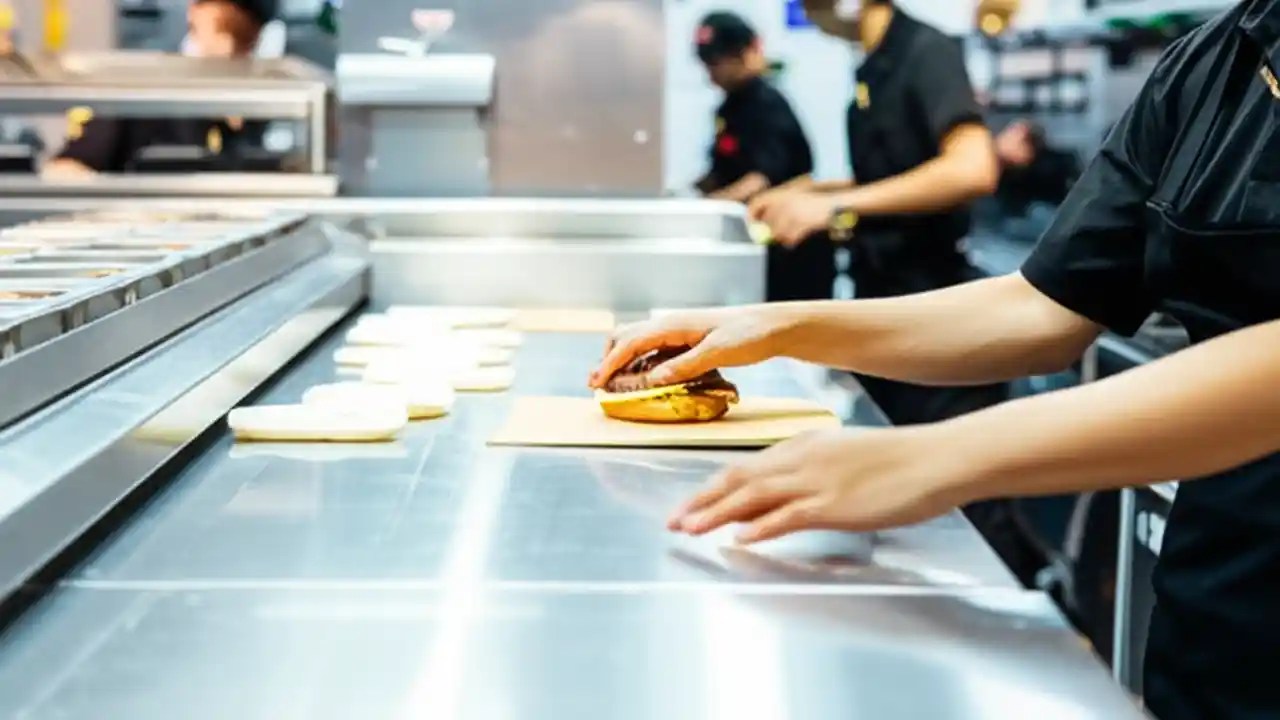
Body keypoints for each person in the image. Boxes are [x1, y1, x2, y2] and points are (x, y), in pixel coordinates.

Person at [591, 1, 1280, 717]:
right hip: (1214, 616)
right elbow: (1043, 305)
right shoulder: (1216, 60)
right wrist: (771, 325)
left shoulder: (925, 54)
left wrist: (935, 458)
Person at [41, 0, 276, 178]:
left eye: (239, 38)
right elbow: (65, 169)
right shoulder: (143, 89)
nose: (224, 49)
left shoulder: (252, 110)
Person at [690, 12, 825, 302]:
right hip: (757, 246)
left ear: (747, 52)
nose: (711, 72)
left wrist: (708, 209)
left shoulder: (765, 104)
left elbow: (761, 180)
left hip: (789, 249)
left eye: (717, 61)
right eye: (707, 63)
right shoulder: (731, 107)